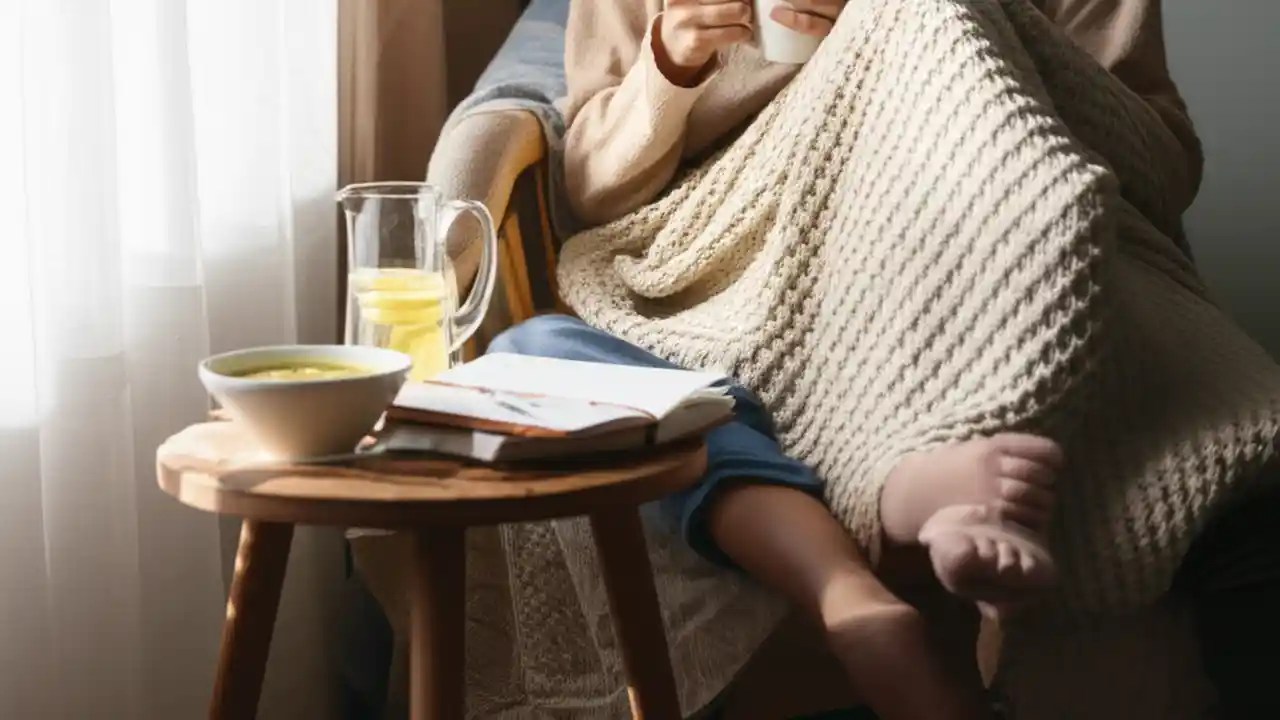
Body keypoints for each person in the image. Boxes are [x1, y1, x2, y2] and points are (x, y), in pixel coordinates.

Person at [490, 2, 1233, 718]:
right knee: (533, 360)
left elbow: (1162, 172)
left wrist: (945, 31)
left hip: (958, 258)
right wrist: (672, 68)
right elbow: (591, 193)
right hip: (733, 262)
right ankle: (851, 585)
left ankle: (912, 485)